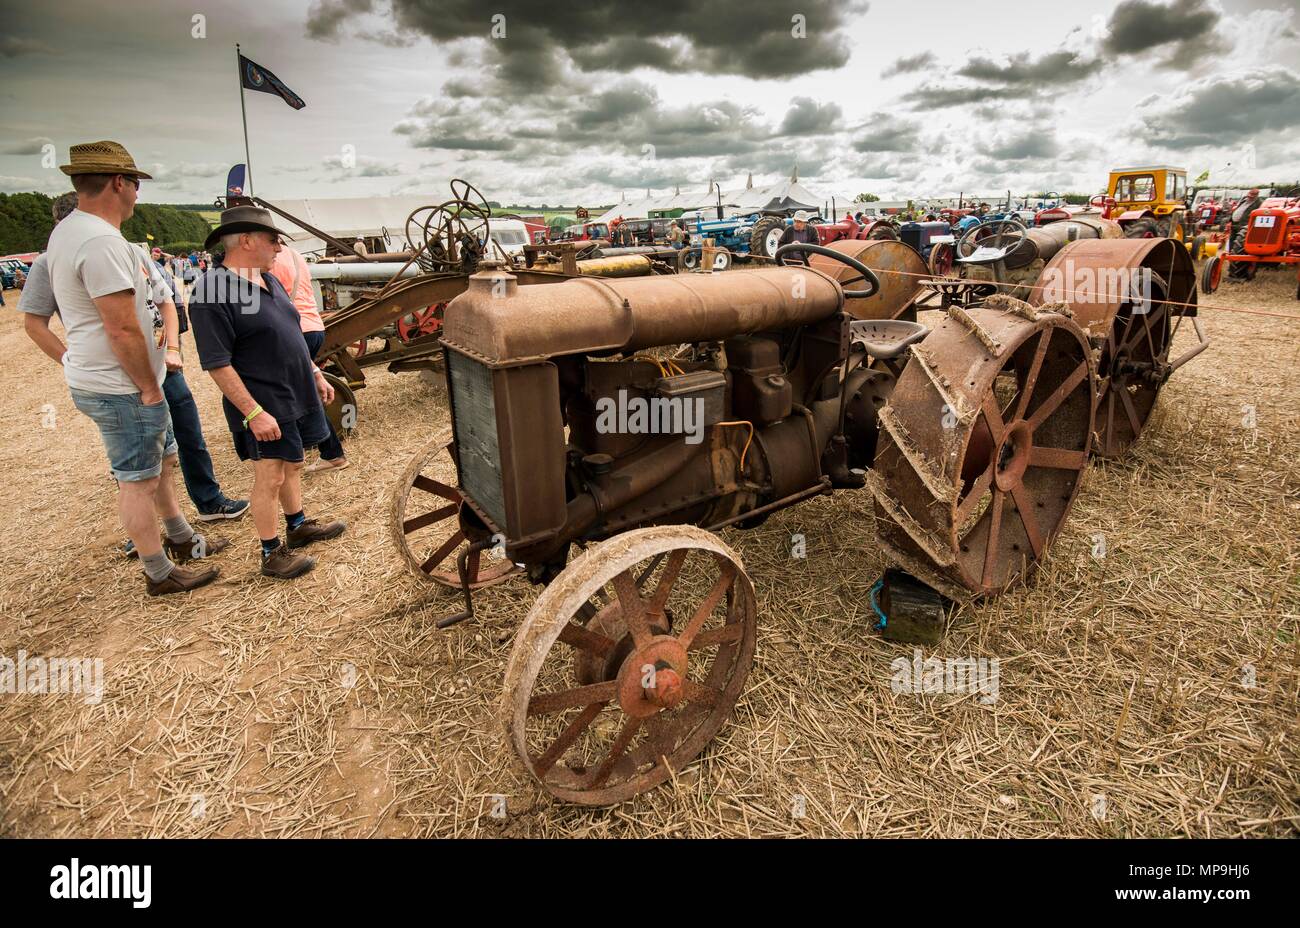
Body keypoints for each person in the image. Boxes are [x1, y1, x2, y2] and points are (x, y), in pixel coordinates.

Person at [44, 141, 226, 595]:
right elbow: (122, 329)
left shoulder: (70, 233)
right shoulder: (99, 241)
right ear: (119, 183)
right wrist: (148, 386)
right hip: (124, 386)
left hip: (120, 381)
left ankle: (182, 538)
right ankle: (158, 571)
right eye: (136, 184)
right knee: (138, 480)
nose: (137, 195)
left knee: (162, 463)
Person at [19, 194, 249, 542]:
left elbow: (163, 301)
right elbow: (37, 324)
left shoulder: (124, 248)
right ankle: (146, 540)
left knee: (177, 445)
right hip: (125, 379)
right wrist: (69, 359)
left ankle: (201, 508)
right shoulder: (54, 261)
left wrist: (172, 349)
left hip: (159, 369)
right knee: (138, 469)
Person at [189, 206, 346, 580]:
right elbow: (217, 362)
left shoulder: (267, 279)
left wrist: (314, 372)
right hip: (264, 402)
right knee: (270, 475)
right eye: (273, 239)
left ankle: (298, 526)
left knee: (292, 465)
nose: (279, 248)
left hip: (295, 392)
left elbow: (289, 334)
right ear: (245, 241)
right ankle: (271, 552)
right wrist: (253, 413)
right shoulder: (211, 290)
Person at [269, 244, 348, 474]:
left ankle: (331, 454)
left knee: (299, 394)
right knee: (302, 390)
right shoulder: (294, 254)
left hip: (294, 329)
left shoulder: (267, 260)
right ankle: (321, 448)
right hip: (313, 325)